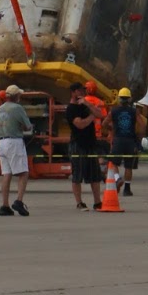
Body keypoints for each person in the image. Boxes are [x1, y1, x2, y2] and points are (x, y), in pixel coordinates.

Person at [0, 83, 33, 218]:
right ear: (16, 96)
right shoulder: (18, 108)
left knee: (6, 174)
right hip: (14, 142)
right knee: (23, 173)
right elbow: (28, 126)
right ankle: (19, 200)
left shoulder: (1, 108)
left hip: (2, 142)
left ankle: (4, 205)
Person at [65, 81, 102, 210]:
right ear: (73, 92)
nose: (83, 92)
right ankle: (79, 202)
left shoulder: (85, 105)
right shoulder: (71, 109)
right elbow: (80, 124)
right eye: (80, 90)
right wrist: (92, 117)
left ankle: (97, 202)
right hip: (77, 144)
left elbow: (100, 114)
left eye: (83, 90)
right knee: (77, 175)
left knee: (95, 175)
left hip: (90, 143)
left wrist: (88, 104)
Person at [108, 87, 146, 195]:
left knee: (114, 162)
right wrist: (139, 138)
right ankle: (127, 189)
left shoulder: (113, 111)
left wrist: (112, 129)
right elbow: (143, 125)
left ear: (119, 99)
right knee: (128, 166)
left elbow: (104, 124)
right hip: (130, 141)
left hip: (118, 140)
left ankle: (117, 178)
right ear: (129, 99)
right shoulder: (134, 111)